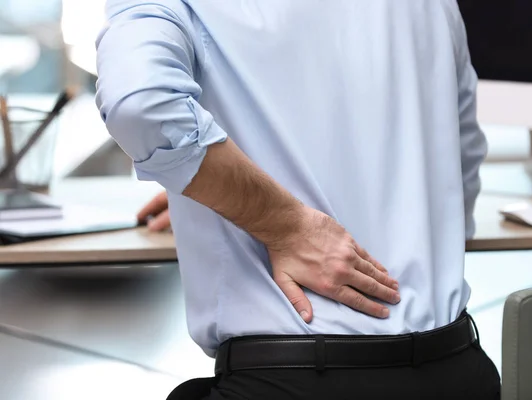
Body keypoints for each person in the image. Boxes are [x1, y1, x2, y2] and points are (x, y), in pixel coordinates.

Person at [96, 0, 499, 398]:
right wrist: (212, 187)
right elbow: (456, 163)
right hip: (458, 370)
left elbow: (140, 106)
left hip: (289, 382)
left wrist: (283, 223)